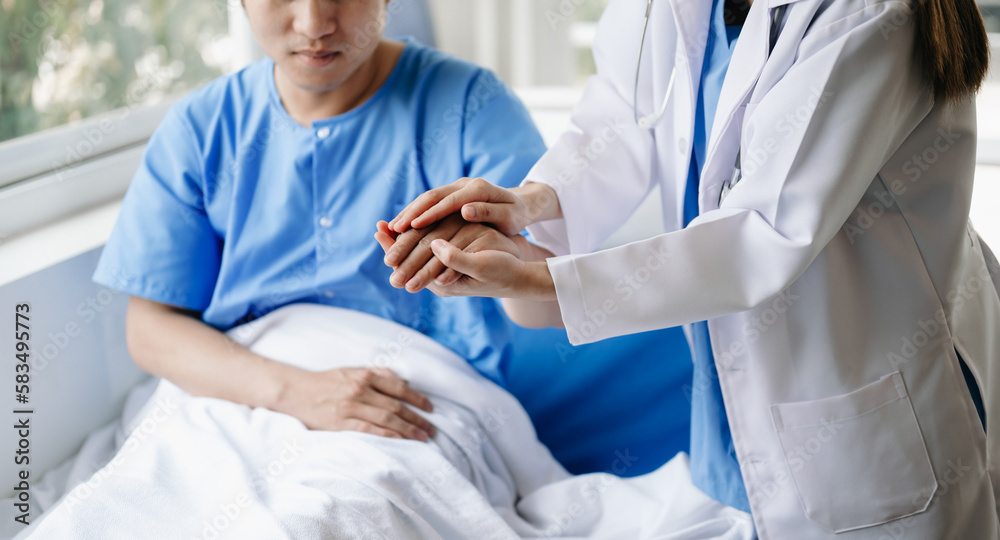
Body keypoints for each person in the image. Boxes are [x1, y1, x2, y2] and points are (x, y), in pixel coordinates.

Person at [378, 0, 1000, 537]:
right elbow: (619, 120)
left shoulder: (868, 15)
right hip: (735, 418)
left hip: (869, 419)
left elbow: (761, 232)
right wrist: (527, 204)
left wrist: (542, 280)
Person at [92, 0, 545, 443]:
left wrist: (502, 259)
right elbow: (150, 329)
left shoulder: (471, 105)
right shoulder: (199, 128)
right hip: (236, 391)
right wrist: (299, 392)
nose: (313, 24)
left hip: (413, 405)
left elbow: (550, 291)